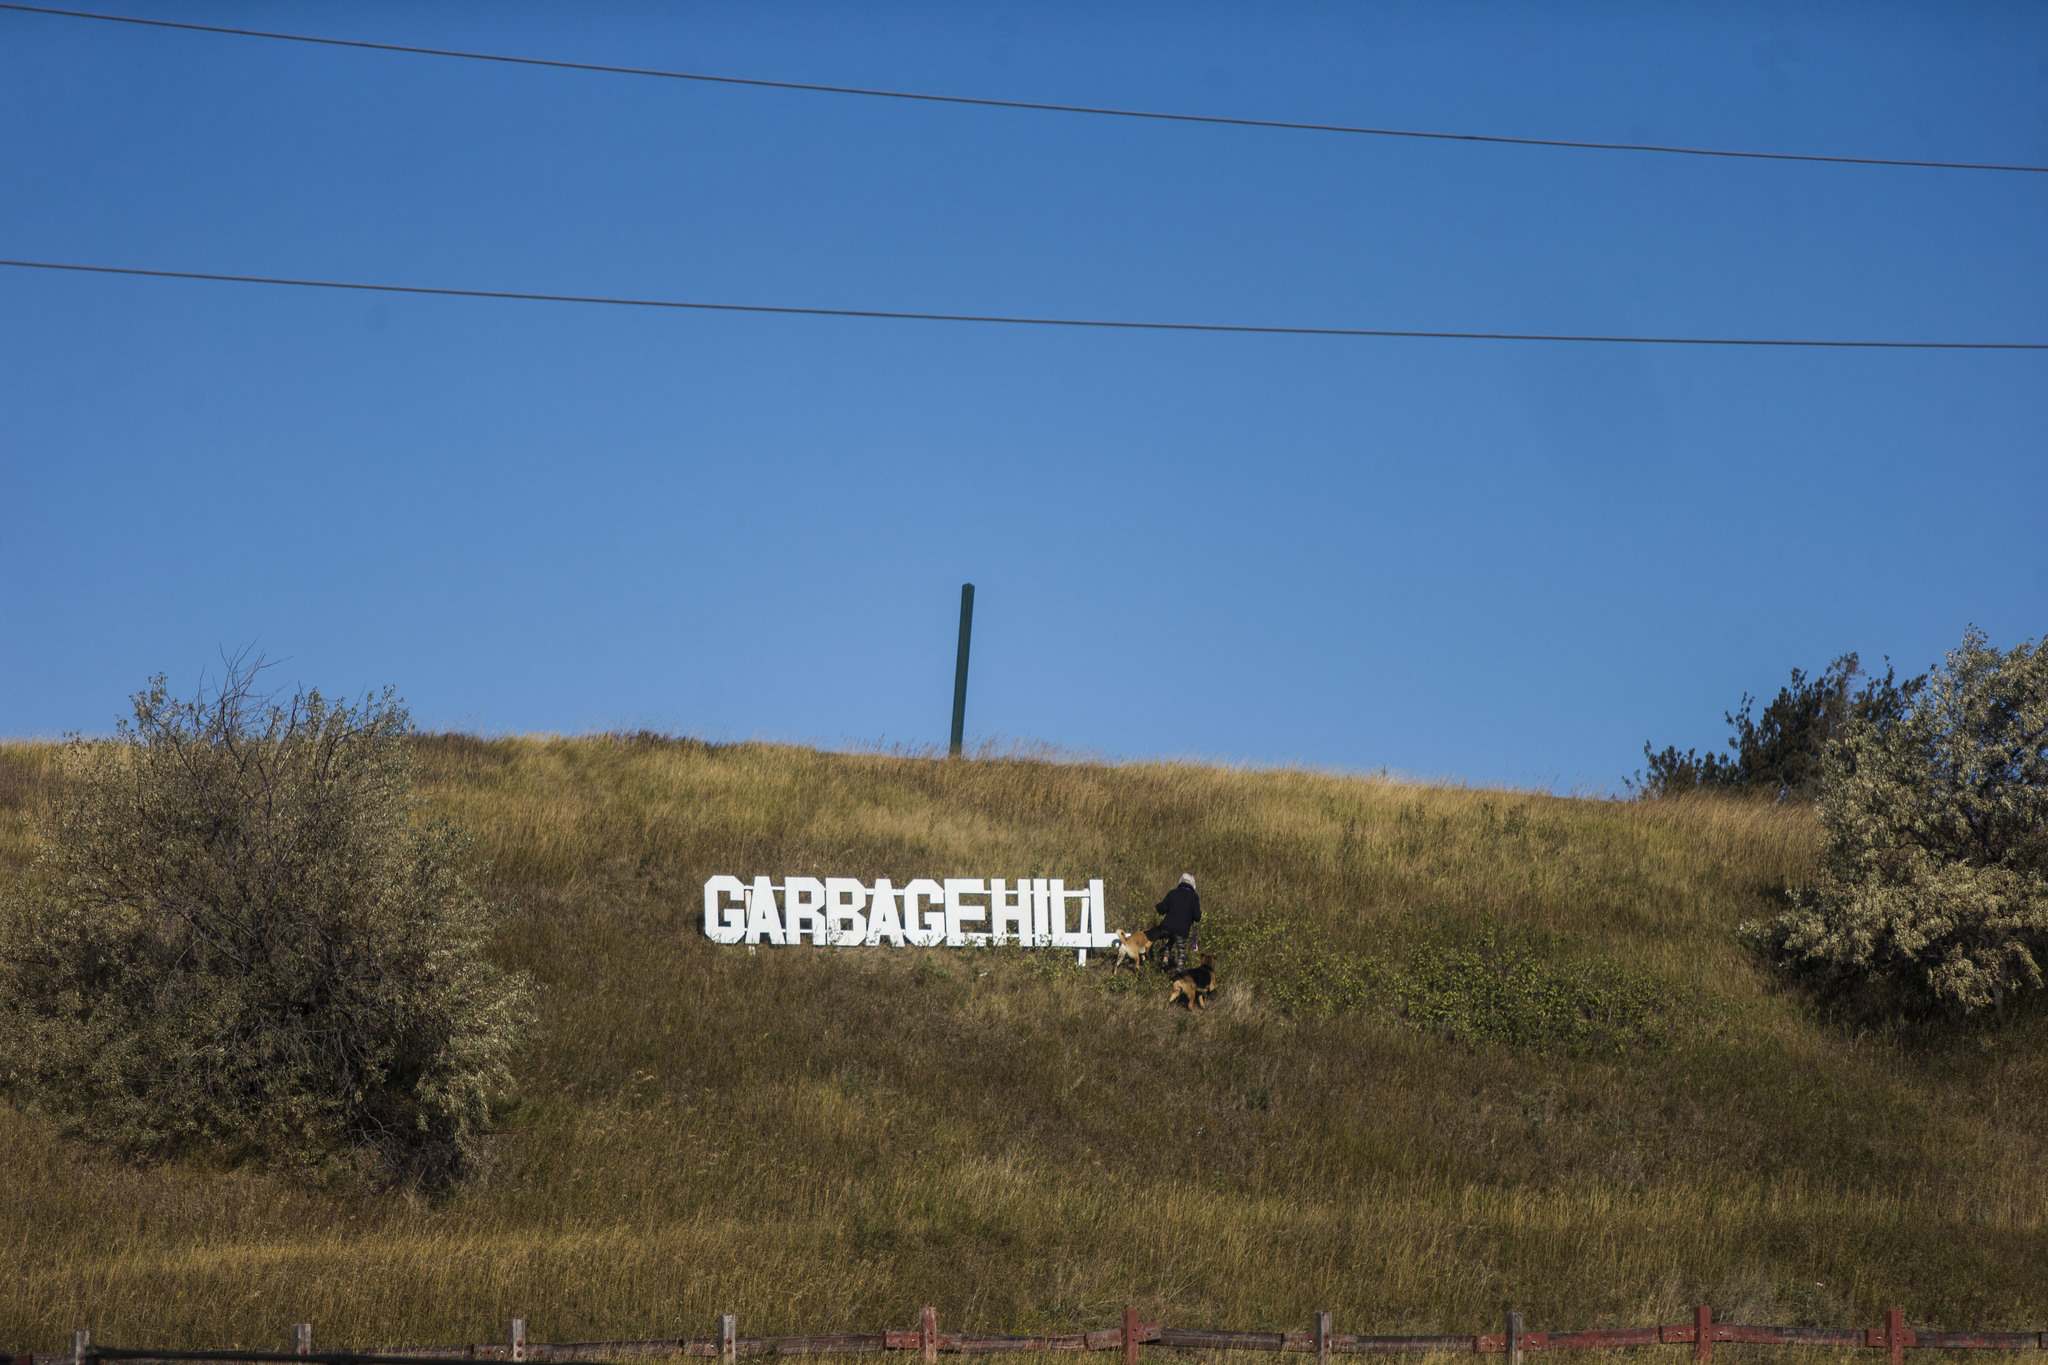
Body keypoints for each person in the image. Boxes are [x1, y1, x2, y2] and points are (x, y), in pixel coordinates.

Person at [1146, 873, 1201, 972]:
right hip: (1182, 931)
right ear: (1193, 885)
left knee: (1167, 941)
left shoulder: (1173, 893)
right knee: (1181, 953)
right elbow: (1197, 917)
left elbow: (1161, 909)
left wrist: (1158, 906)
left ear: (1181, 881)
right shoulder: (1194, 897)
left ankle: (1162, 962)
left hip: (1166, 927)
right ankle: (1178, 974)